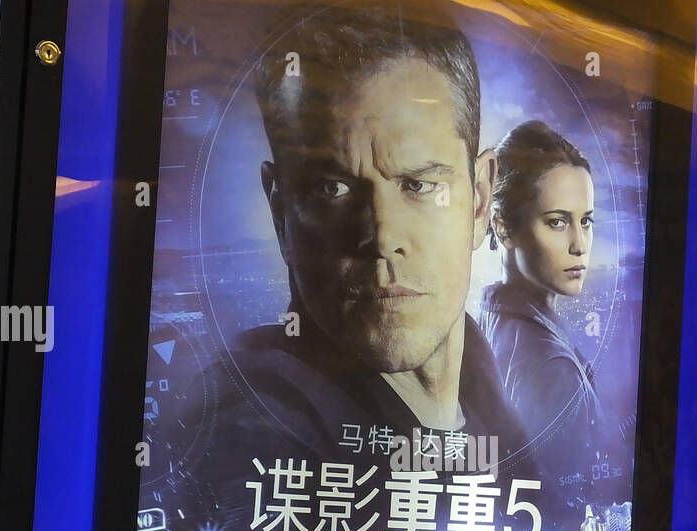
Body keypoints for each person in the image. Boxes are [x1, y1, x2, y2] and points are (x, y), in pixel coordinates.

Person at [226, 2, 533, 470]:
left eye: (420, 185)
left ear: (479, 200)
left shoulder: (494, 402)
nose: (383, 236)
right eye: (333, 189)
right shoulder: (248, 422)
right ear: (280, 212)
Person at [480, 120, 618, 483]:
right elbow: (568, 507)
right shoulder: (551, 369)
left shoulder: (494, 317)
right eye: (558, 222)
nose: (580, 244)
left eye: (586, 221)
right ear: (504, 227)